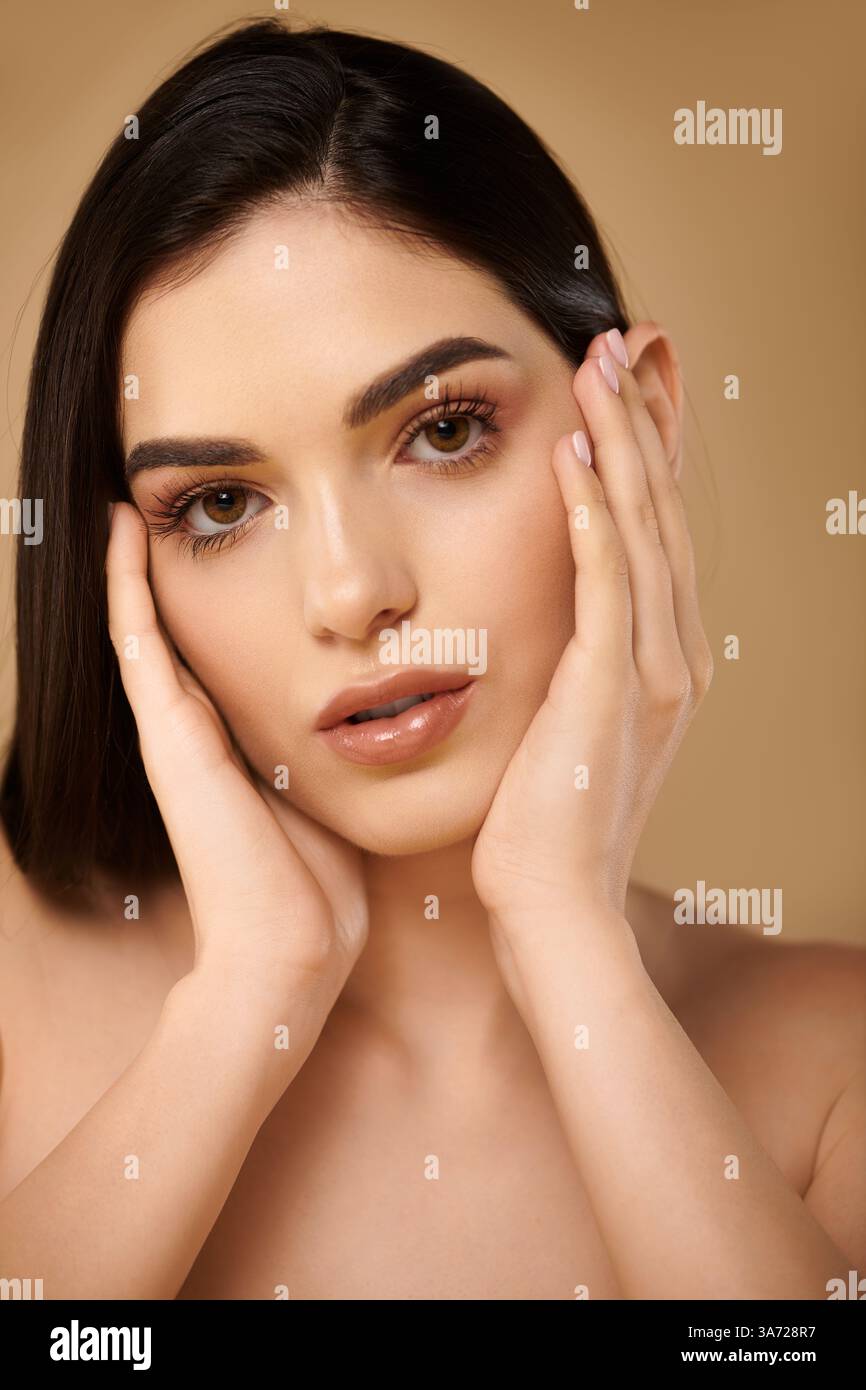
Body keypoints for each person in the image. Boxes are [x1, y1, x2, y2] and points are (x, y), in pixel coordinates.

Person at [0, 17, 863, 1301]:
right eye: (222, 506)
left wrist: (566, 937)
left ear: (637, 420)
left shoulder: (832, 1061)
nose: (353, 594)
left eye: (443, 429)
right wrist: (242, 1001)